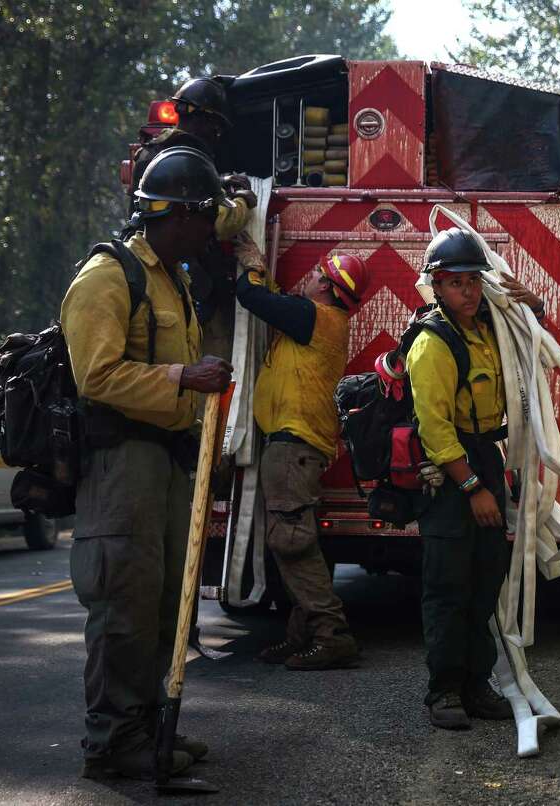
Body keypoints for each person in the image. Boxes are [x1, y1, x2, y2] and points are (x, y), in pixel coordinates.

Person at [62, 146, 233, 781]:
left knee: (165, 604)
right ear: (177, 215)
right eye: (204, 216)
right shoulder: (109, 277)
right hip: (121, 464)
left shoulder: (175, 281)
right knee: (124, 606)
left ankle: (146, 730)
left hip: (165, 462)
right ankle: (111, 742)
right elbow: (96, 376)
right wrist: (185, 376)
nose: (210, 230)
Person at [407, 228, 545, 730]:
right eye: (456, 283)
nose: (468, 291)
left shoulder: (491, 331)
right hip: (450, 474)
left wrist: (535, 306)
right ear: (436, 287)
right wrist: (473, 488)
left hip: (485, 456)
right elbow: (436, 429)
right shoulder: (432, 344)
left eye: (473, 281)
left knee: (485, 579)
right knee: (448, 585)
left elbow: (532, 347)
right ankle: (443, 692)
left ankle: (474, 685)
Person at [234, 239, 366, 670]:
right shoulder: (316, 320)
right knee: (291, 544)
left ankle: (333, 635)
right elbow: (278, 304)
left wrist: (251, 268)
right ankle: (300, 635)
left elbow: (254, 299)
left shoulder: (317, 318)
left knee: (292, 544)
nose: (308, 279)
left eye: (315, 275)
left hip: (293, 448)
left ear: (328, 287)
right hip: (294, 446)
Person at [128, 76, 257, 354]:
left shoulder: (151, 151)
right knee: (203, 359)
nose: (217, 136)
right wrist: (245, 200)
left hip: (146, 266)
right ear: (206, 121)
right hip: (190, 281)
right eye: (217, 128)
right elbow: (221, 222)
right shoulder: (190, 154)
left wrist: (220, 181)